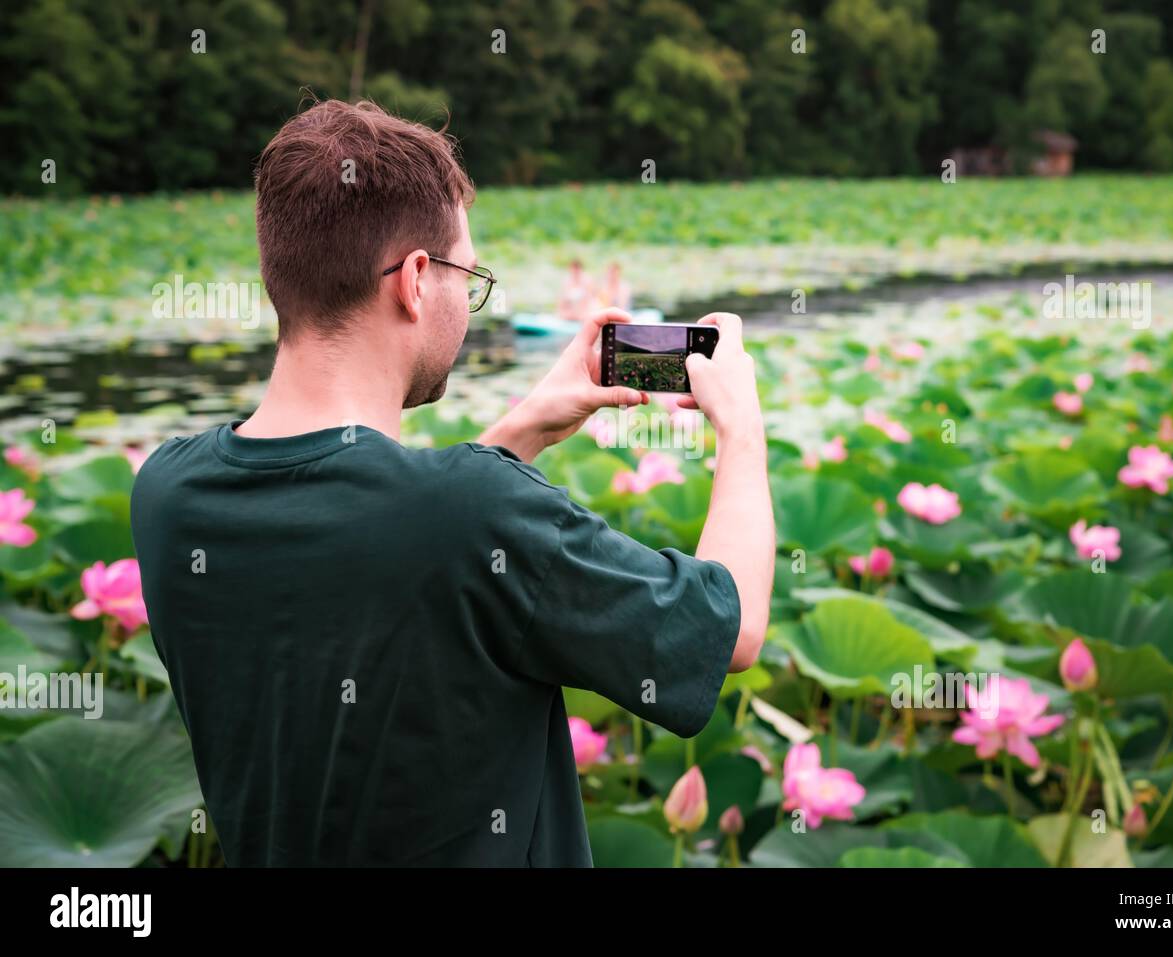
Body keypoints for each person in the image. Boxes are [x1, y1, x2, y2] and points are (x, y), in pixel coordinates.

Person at [129, 99, 775, 867]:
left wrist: (523, 428)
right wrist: (741, 425)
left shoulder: (169, 494)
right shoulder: (474, 510)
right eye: (468, 277)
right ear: (414, 281)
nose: (467, 306)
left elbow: (383, 533)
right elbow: (727, 629)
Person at [557, 258, 595, 323]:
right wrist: (565, 312)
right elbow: (562, 300)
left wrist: (579, 314)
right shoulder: (567, 281)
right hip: (571, 312)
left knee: (584, 316)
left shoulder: (587, 281)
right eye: (573, 269)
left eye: (576, 269)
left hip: (584, 311)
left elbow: (588, 300)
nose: (574, 272)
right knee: (563, 315)